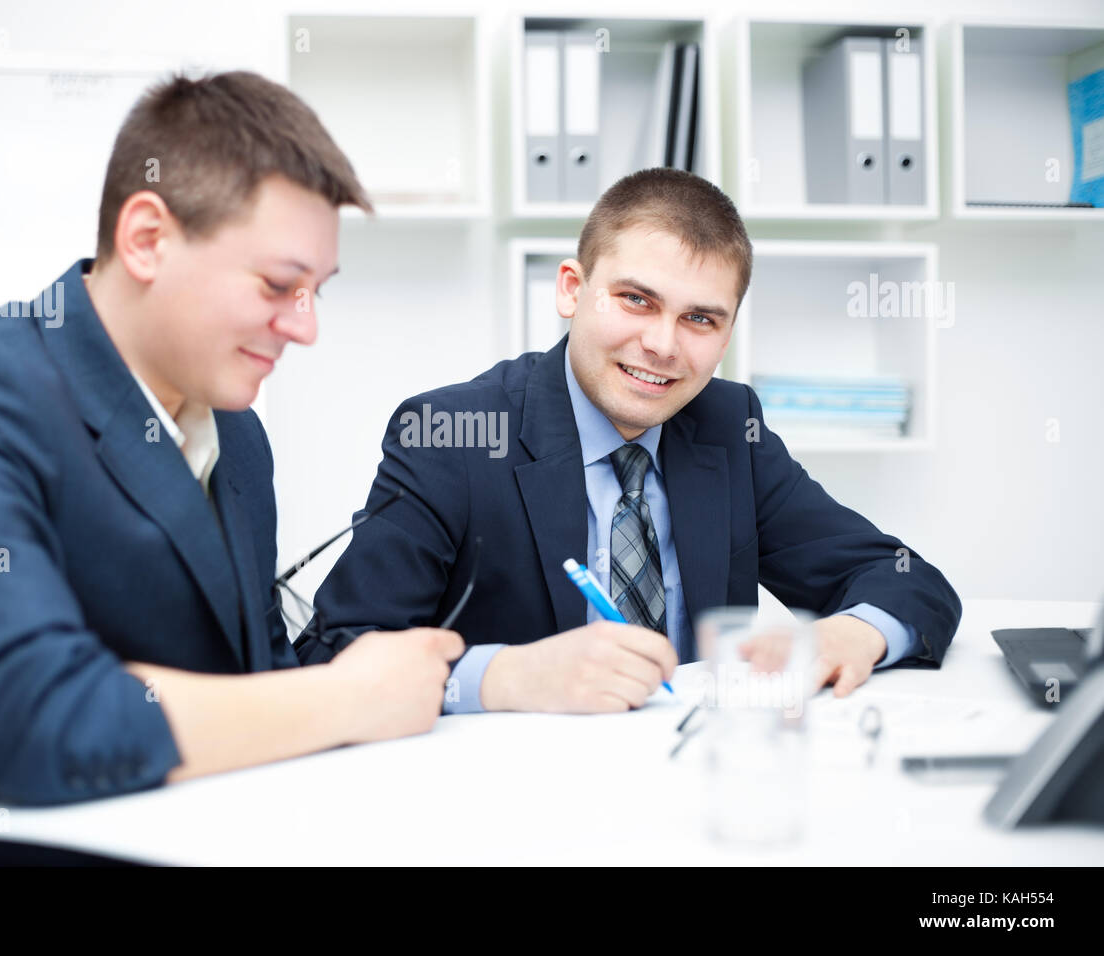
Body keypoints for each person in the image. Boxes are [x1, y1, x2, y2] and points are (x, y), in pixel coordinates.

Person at [0, 71, 462, 865]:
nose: (305, 327)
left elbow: (259, 679)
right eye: (280, 285)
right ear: (147, 238)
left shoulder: (237, 435)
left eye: (317, 291)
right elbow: (41, 721)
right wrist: (346, 698)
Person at [296, 168, 961, 715]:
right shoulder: (452, 437)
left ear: (725, 337)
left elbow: (907, 579)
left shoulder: (731, 427)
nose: (664, 345)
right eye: (637, 300)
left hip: (692, 782)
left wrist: (855, 630)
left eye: (699, 318)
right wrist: (504, 677)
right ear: (572, 290)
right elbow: (333, 653)